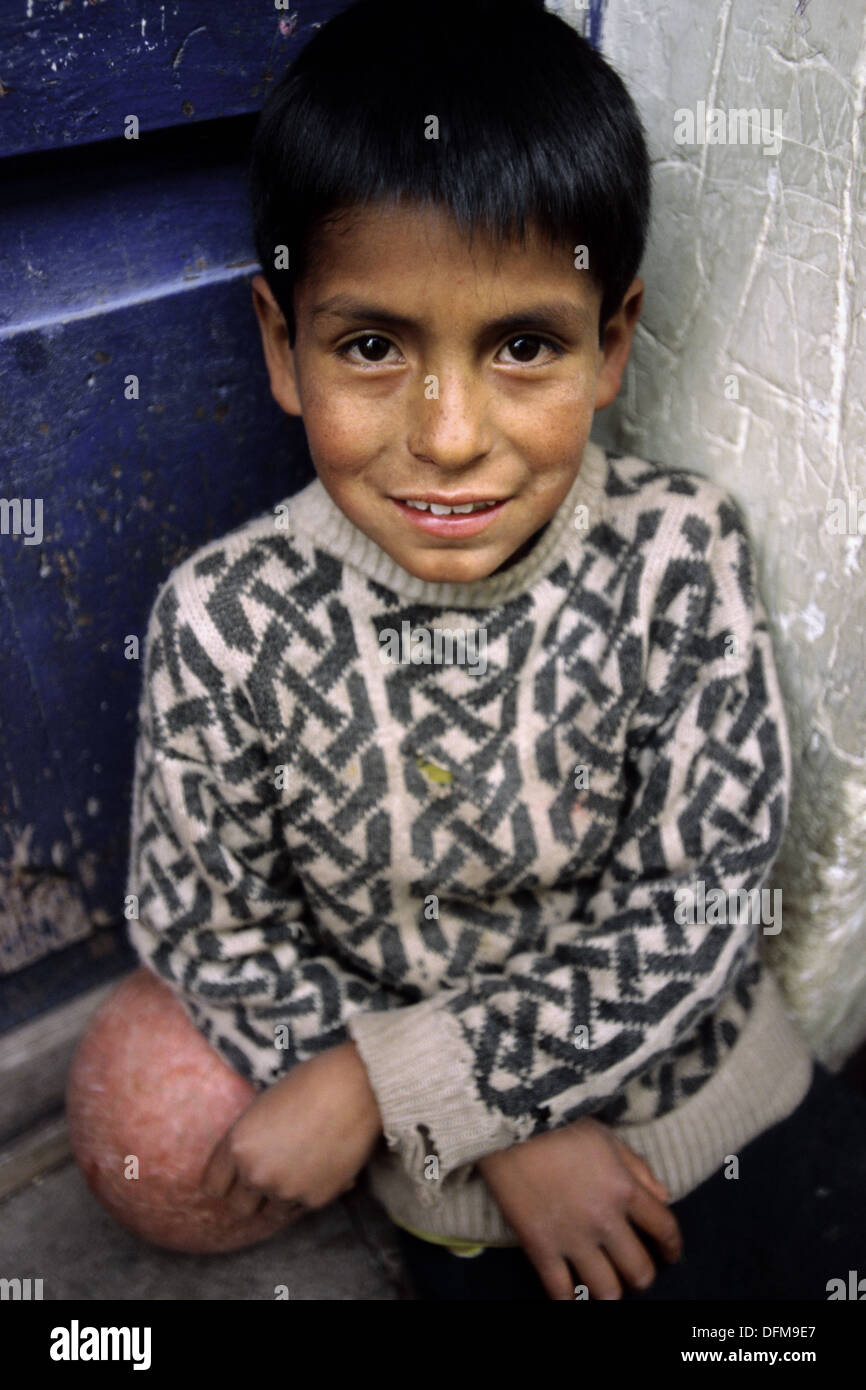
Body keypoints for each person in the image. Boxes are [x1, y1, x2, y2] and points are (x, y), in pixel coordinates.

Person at [66, 0, 865, 1301]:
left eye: (523, 345)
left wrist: (427, 1077)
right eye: (373, 346)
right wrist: (497, 1130)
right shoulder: (225, 620)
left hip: (728, 1123)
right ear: (283, 344)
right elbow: (206, 916)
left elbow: (700, 891)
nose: (448, 435)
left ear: (611, 342)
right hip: (459, 1214)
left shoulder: (672, 557)